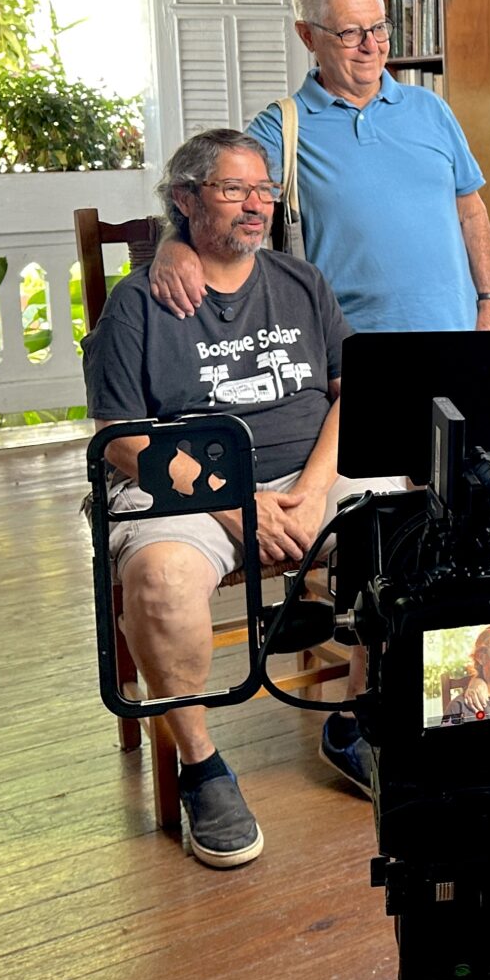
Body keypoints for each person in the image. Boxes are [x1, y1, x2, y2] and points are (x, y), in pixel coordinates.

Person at [86, 128, 388, 868]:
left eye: (265, 189)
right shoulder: (138, 305)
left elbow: (355, 393)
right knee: (157, 582)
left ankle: (356, 721)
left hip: (310, 475)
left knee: (410, 527)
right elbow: (120, 438)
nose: (256, 205)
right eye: (234, 190)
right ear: (185, 201)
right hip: (191, 487)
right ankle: (202, 767)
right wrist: (236, 504)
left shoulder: (302, 282)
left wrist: (316, 492)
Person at [150, 0, 490, 334]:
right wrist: (173, 246)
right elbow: (211, 199)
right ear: (308, 36)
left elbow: (471, 214)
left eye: (379, 28)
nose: (371, 46)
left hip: (460, 333)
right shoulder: (282, 127)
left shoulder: (431, 109)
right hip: (348, 348)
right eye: (350, 33)